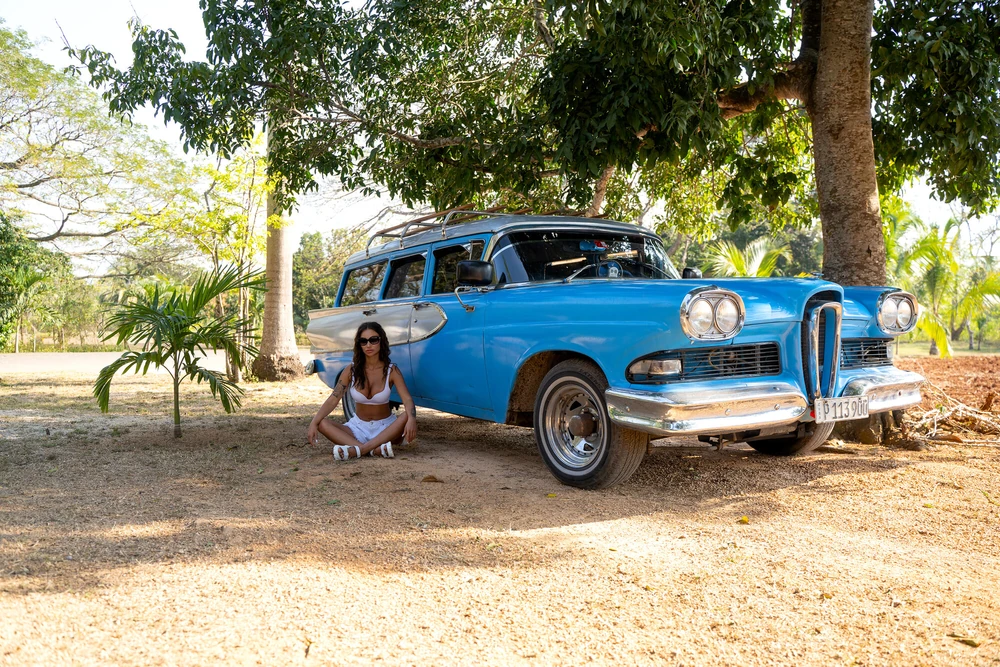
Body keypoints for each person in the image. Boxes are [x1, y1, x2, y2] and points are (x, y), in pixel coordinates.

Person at [306, 321, 417, 460]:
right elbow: (333, 398)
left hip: (385, 428)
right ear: (359, 344)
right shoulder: (350, 370)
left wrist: (412, 418)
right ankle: (373, 450)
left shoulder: (391, 370)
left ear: (381, 341)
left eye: (373, 340)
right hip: (357, 428)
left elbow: (407, 399)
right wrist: (314, 422)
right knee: (322, 423)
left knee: (407, 414)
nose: (368, 345)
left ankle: (359, 449)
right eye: (363, 341)